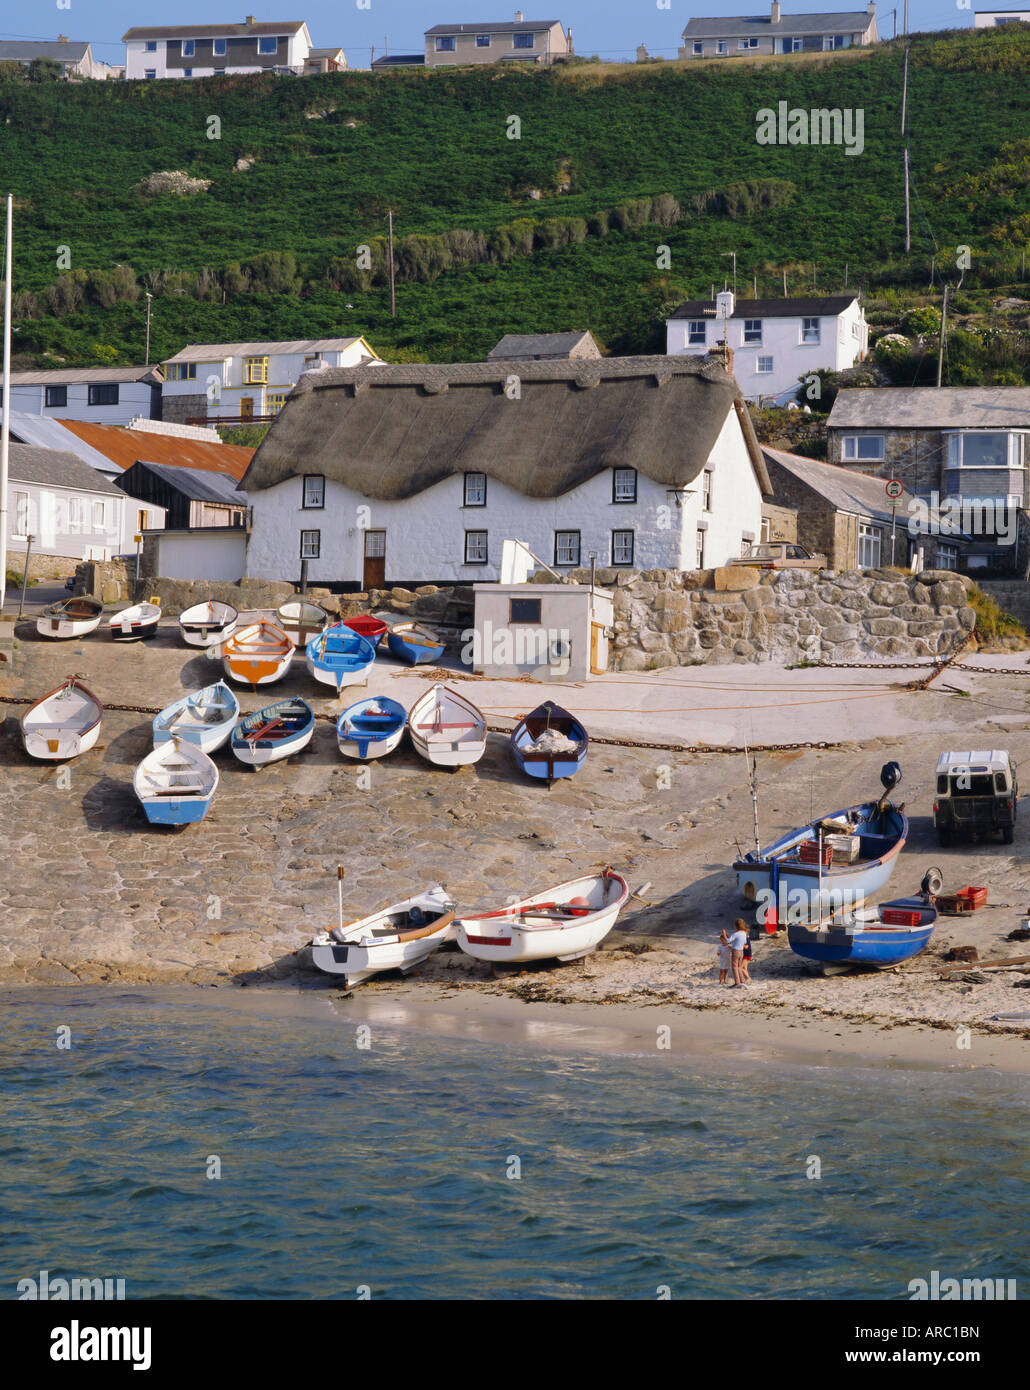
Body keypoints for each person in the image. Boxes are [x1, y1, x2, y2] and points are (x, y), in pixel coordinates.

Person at [729, 918, 750, 987]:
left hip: (735, 951)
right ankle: (742, 981)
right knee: (739, 967)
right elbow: (744, 942)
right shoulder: (744, 933)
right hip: (741, 951)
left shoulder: (736, 934)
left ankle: (737, 982)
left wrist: (724, 934)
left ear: (736, 926)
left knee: (734, 967)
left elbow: (727, 941)